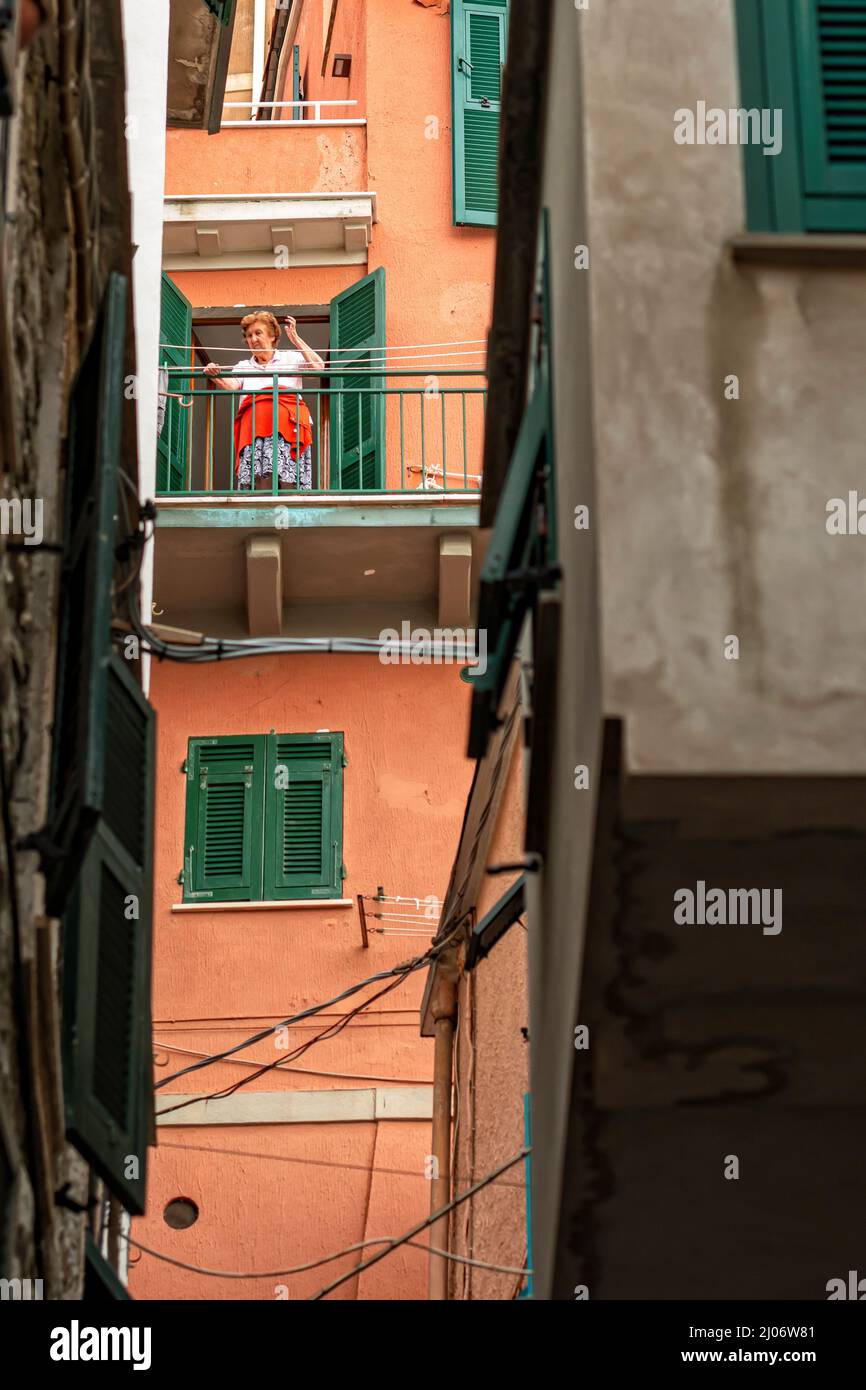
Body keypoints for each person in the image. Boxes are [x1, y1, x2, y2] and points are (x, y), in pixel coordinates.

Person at [205, 312, 325, 491]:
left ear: (272, 335)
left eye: (258, 333)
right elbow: (231, 385)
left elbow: (319, 368)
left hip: (287, 431)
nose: (253, 339)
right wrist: (214, 374)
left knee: (288, 481)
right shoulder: (243, 366)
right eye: (249, 335)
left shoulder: (290, 358)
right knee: (260, 482)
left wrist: (296, 339)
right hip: (255, 432)